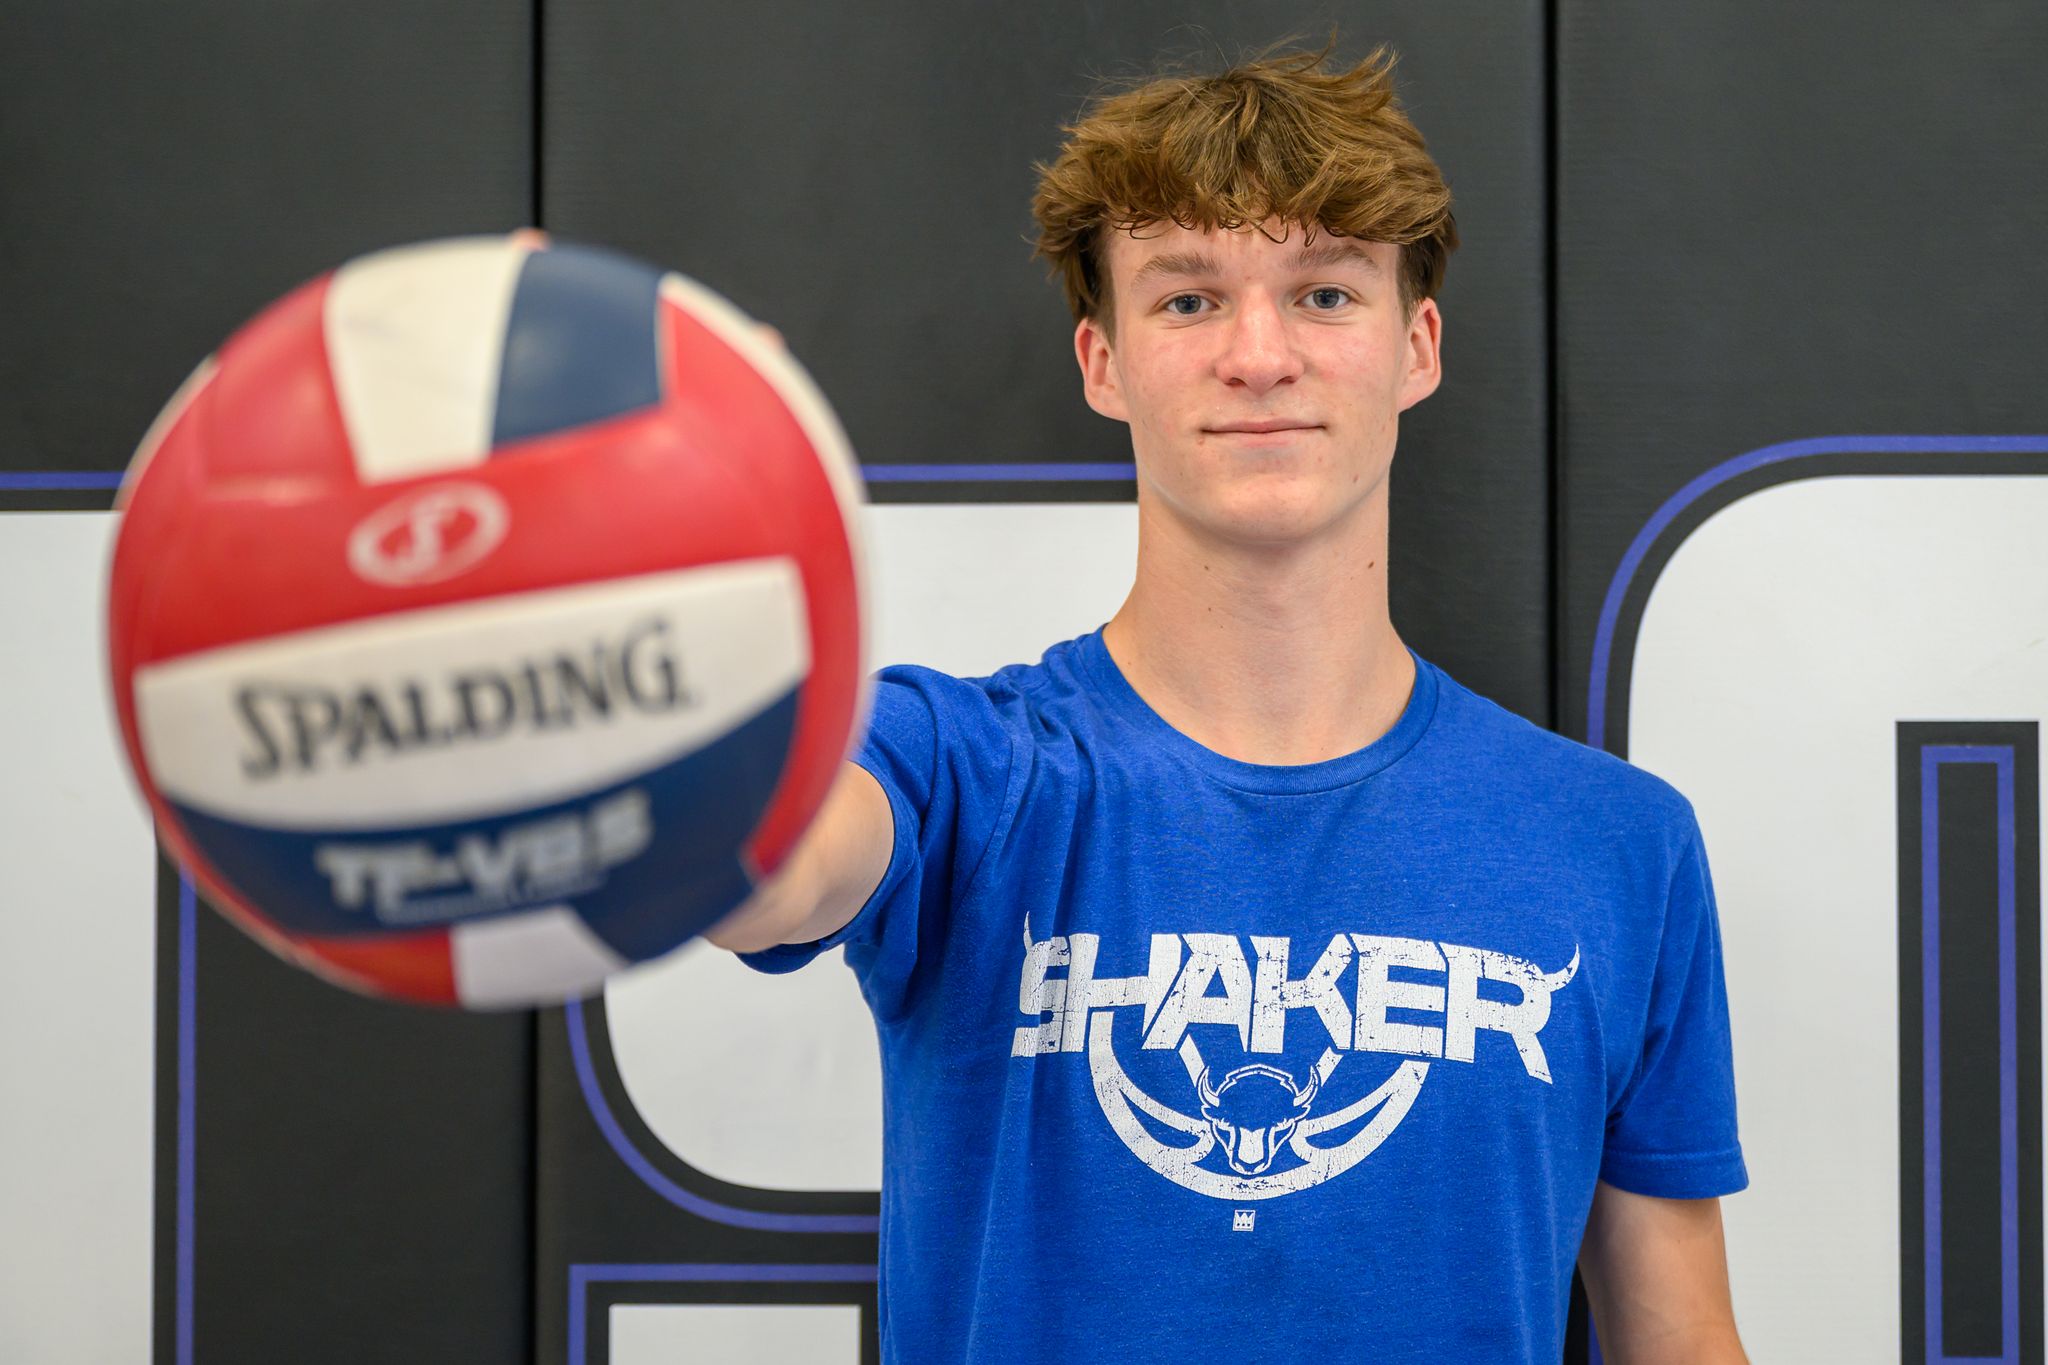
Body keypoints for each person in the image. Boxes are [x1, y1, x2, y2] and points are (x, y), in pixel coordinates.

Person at [707, 38, 1749, 1365]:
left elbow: (1684, 1340)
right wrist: (646, 572)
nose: (1259, 355)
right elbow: (768, 865)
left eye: (1323, 293)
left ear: (1415, 346)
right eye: (1189, 301)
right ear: (1103, 360)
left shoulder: (1617, 841)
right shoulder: (959, 769)